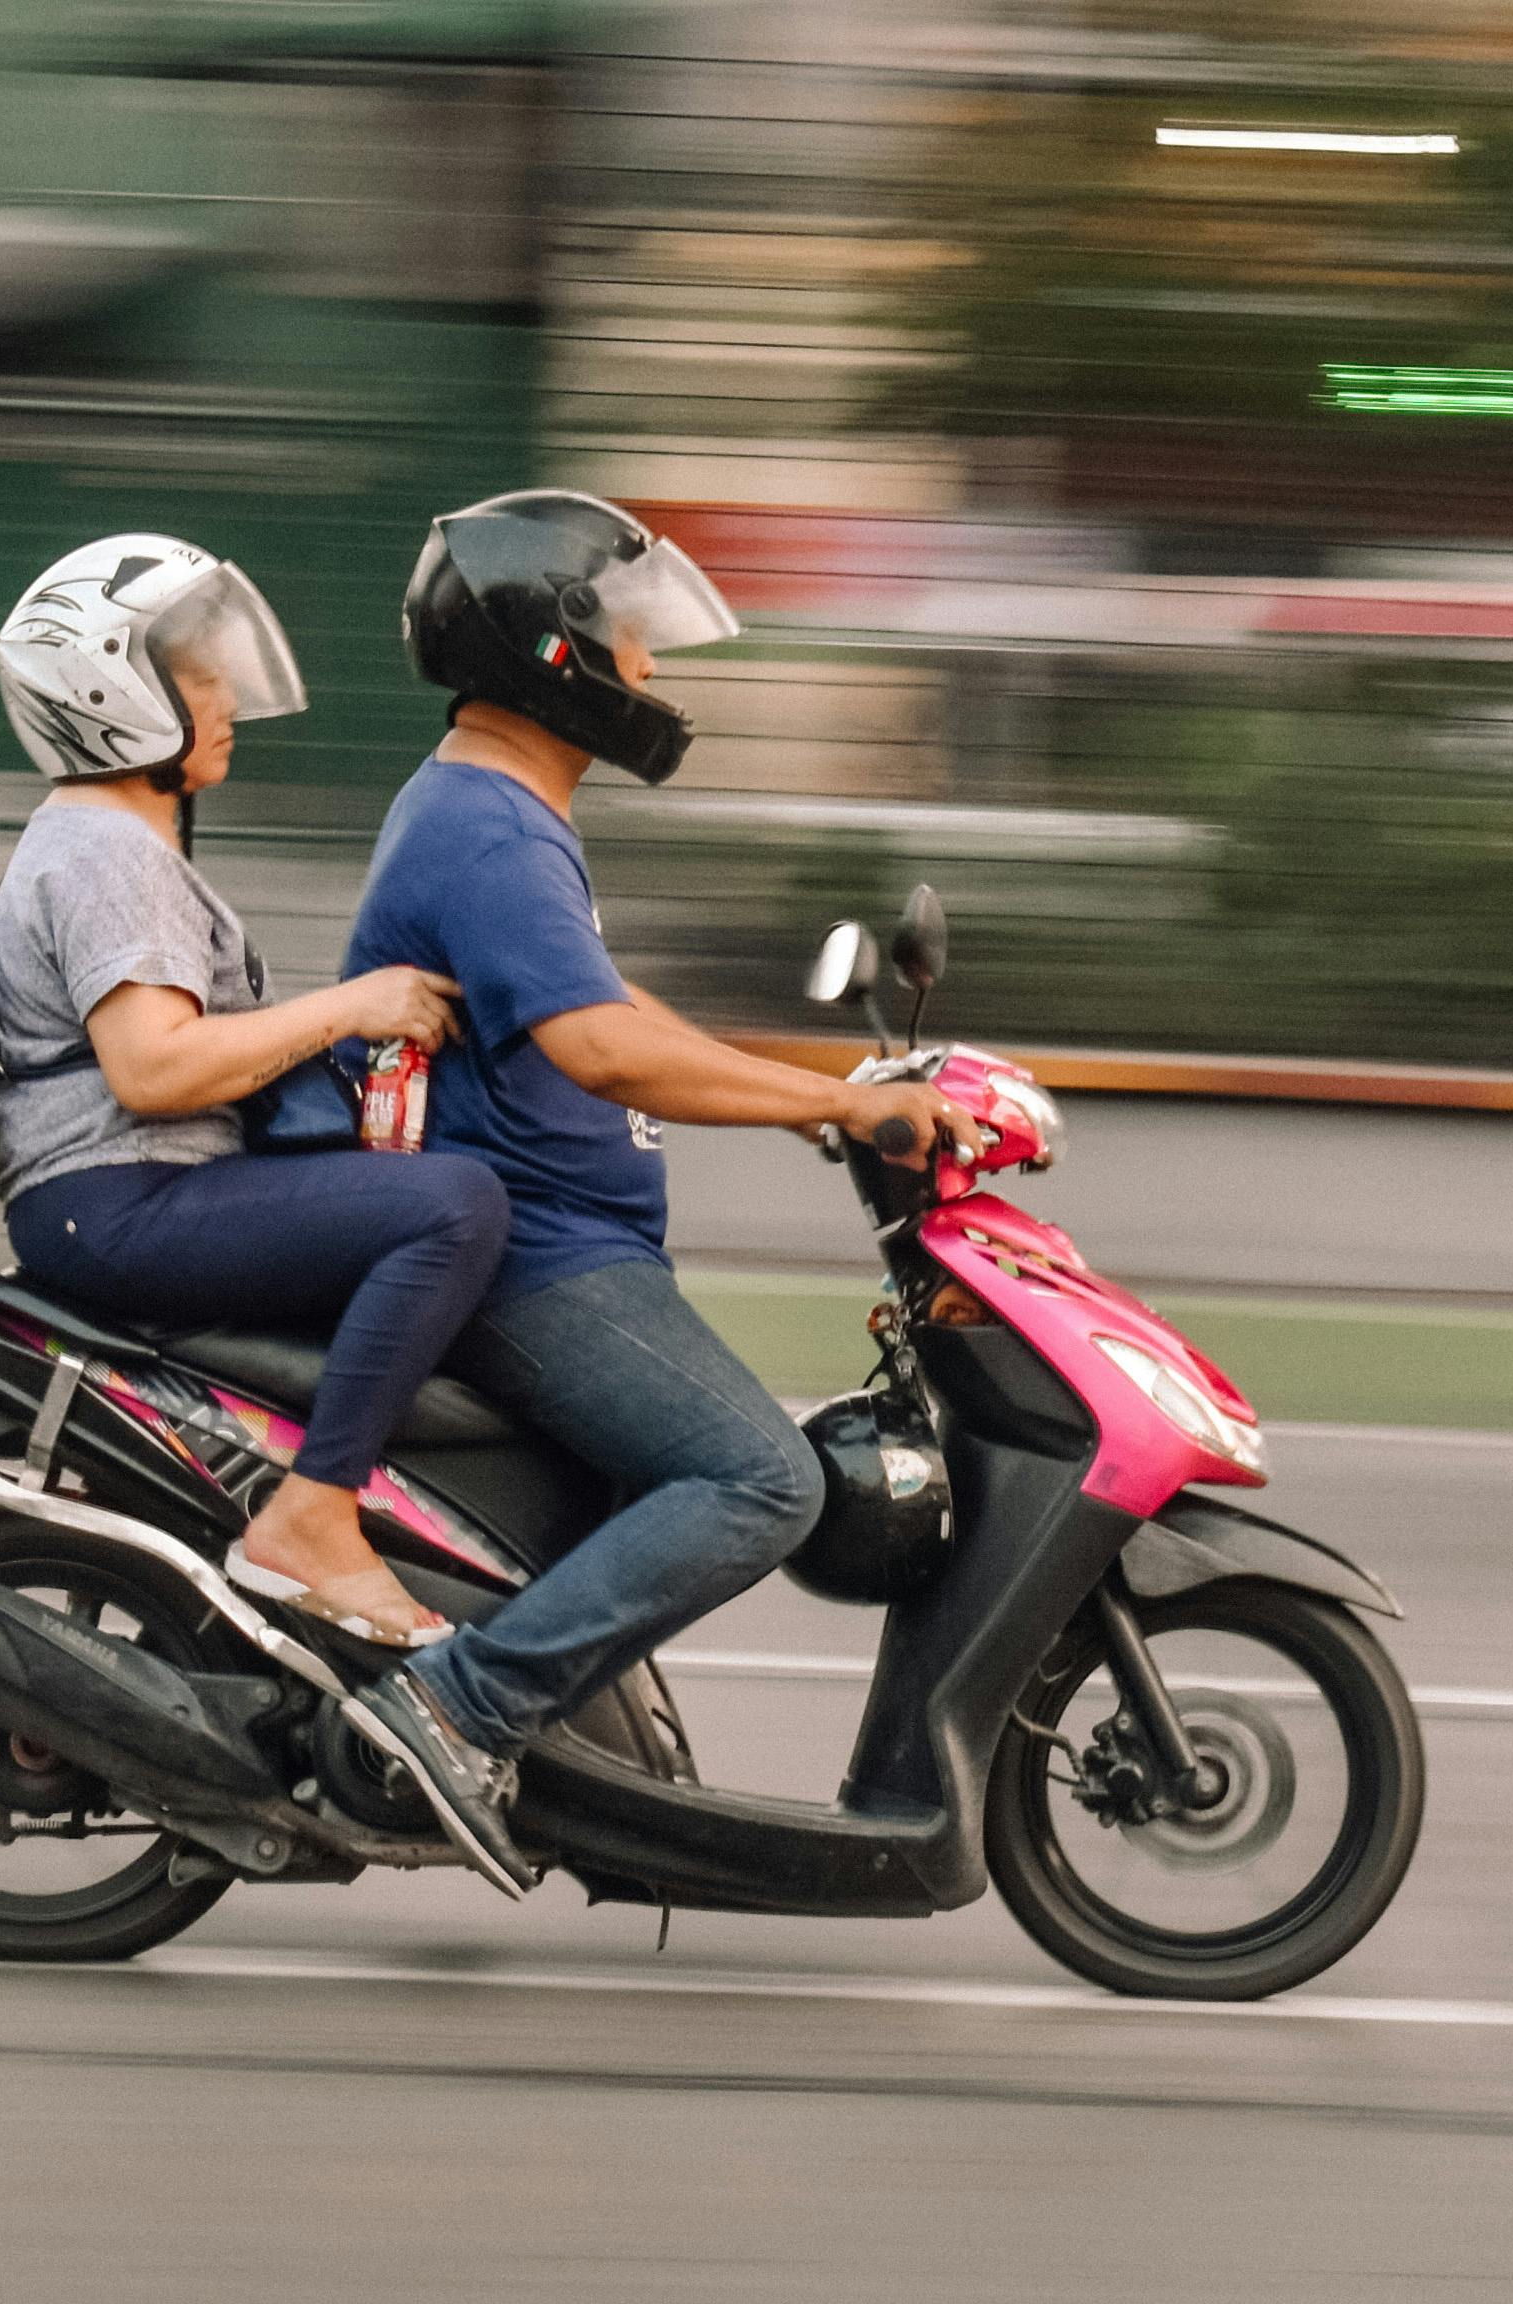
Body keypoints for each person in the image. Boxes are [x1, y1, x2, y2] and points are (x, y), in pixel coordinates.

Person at [330, 490, 978, 1886]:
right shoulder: (491, 828)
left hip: (558, 1245)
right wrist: (827, 1099)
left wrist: (813, 1093)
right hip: (534, 1262)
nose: (652, 670)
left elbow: (609, 1000)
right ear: (547, 648)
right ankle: (460, 1706)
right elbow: (601, 1046)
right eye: (630, 639)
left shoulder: (497, 814)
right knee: (762, 1478)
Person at [0, 533, 506, 1650]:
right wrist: (350, 1007)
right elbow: (154, 1069)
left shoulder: (113, 844)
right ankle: (311, 1520)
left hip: (124, 1198)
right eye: (197, 675)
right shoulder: (105, 853)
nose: (225, 697)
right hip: (119, 1201)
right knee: (454, 1208)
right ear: (111, 695)